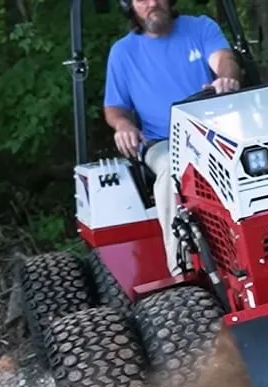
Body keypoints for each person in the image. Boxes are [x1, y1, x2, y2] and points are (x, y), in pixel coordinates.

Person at [103, 0, 241, 277]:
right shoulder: (123, 52)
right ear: (129, 6)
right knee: (171, 166)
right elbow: (114, 108)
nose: (152, 3)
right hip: (162, 141)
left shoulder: (200, 28)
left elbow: (224, 60)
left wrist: (225, 79)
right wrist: (122, 125)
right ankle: (183, 269)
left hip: (214, 132)